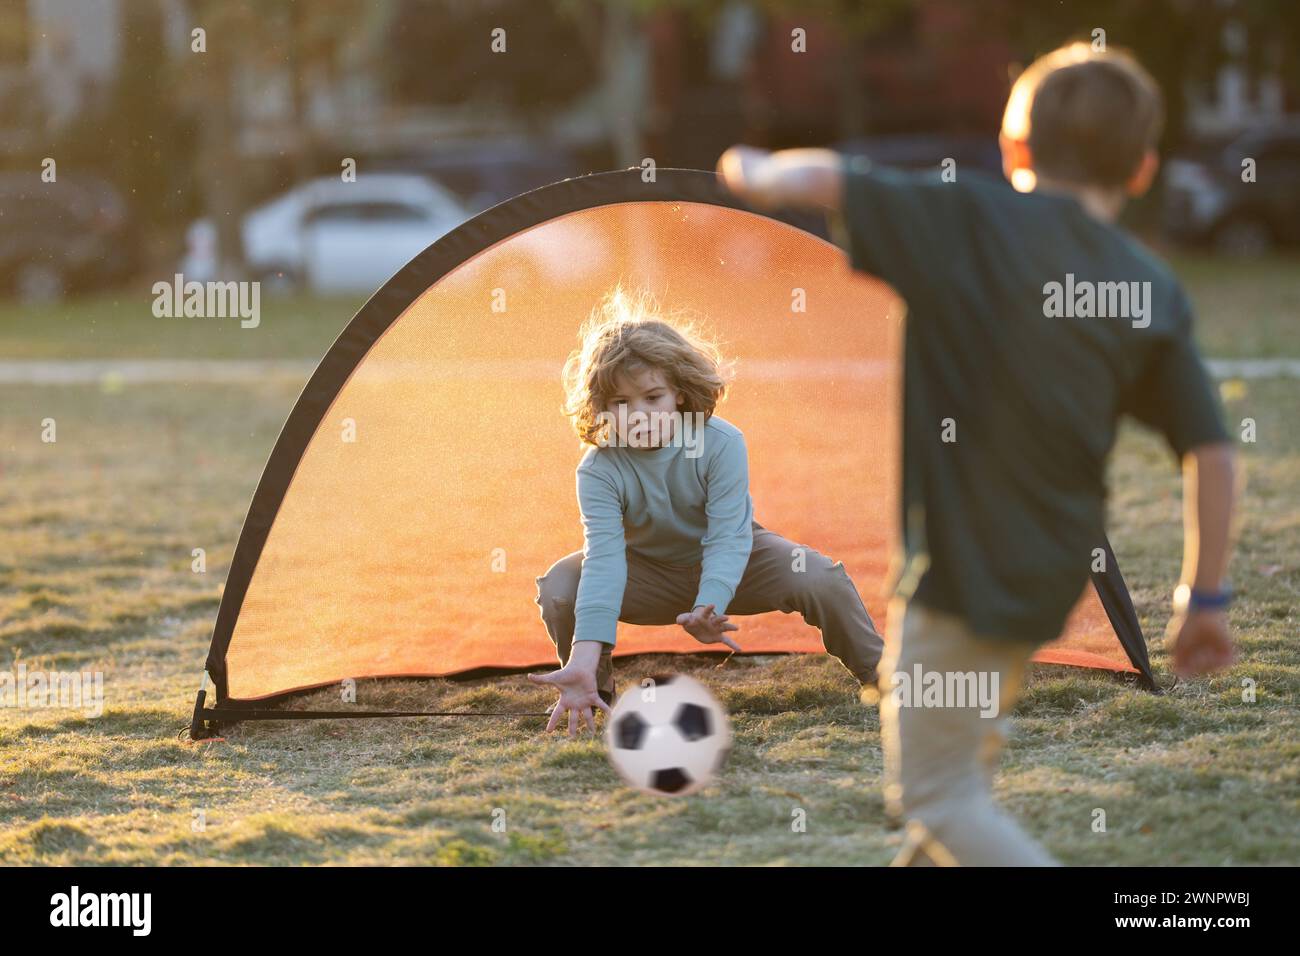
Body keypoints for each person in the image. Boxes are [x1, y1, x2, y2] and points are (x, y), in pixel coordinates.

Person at [716, 41, 1238, 865]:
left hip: (963, 575)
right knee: (952, 779)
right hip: (1048, 575)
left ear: (1013, 149)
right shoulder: (1146, 283)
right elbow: (1211, 449)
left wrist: (752, 168)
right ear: (1141, 169)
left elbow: (822, 178)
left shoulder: (959, 219)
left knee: (937, 794)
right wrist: (1204, 598)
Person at [528, 286, 884, 737]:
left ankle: (883, 679)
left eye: (651, 397)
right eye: (620, 403)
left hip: (734, 563)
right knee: (562, 585)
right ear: (602, 408)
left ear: (679, 393)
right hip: (647, 576)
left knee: (819, 576)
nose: (638, 415)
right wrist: (582, 653)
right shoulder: (599, 467)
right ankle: (592, 692)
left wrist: (709, 602)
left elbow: (729, 536)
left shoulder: (721, 442)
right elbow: (604, 559)